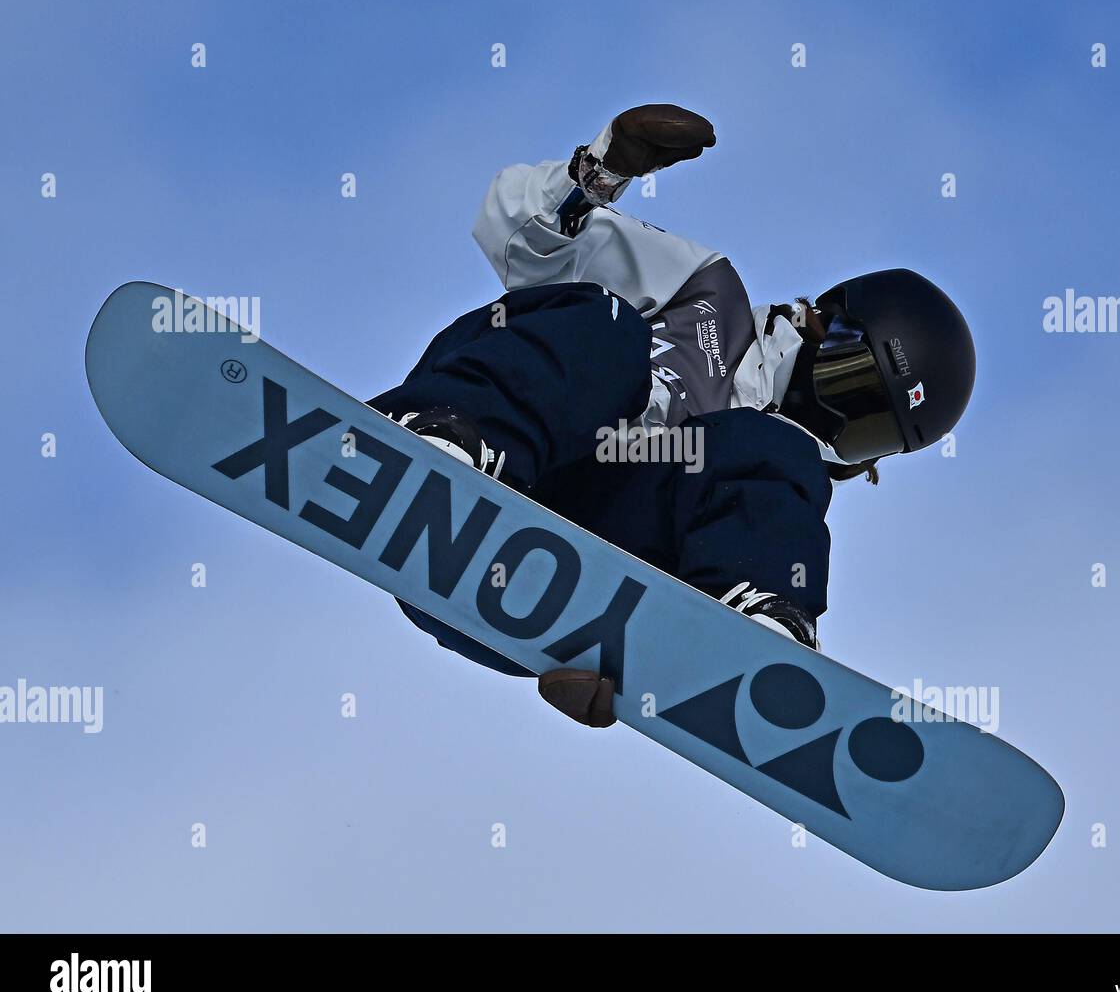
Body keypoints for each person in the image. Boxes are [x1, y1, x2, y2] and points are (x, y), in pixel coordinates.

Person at [370, 105, 975, 728]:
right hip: (509, 442)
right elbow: (518, 240)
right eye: (849, 385)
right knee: (609, 327)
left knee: (772, 457)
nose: (839, 423)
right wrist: (599, 174)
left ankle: (754, 634)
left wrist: (632, 671)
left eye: (868, 427)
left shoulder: (771, 489)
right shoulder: (706, 297)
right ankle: (442, 444)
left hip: (533, 578)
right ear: (825, 326)